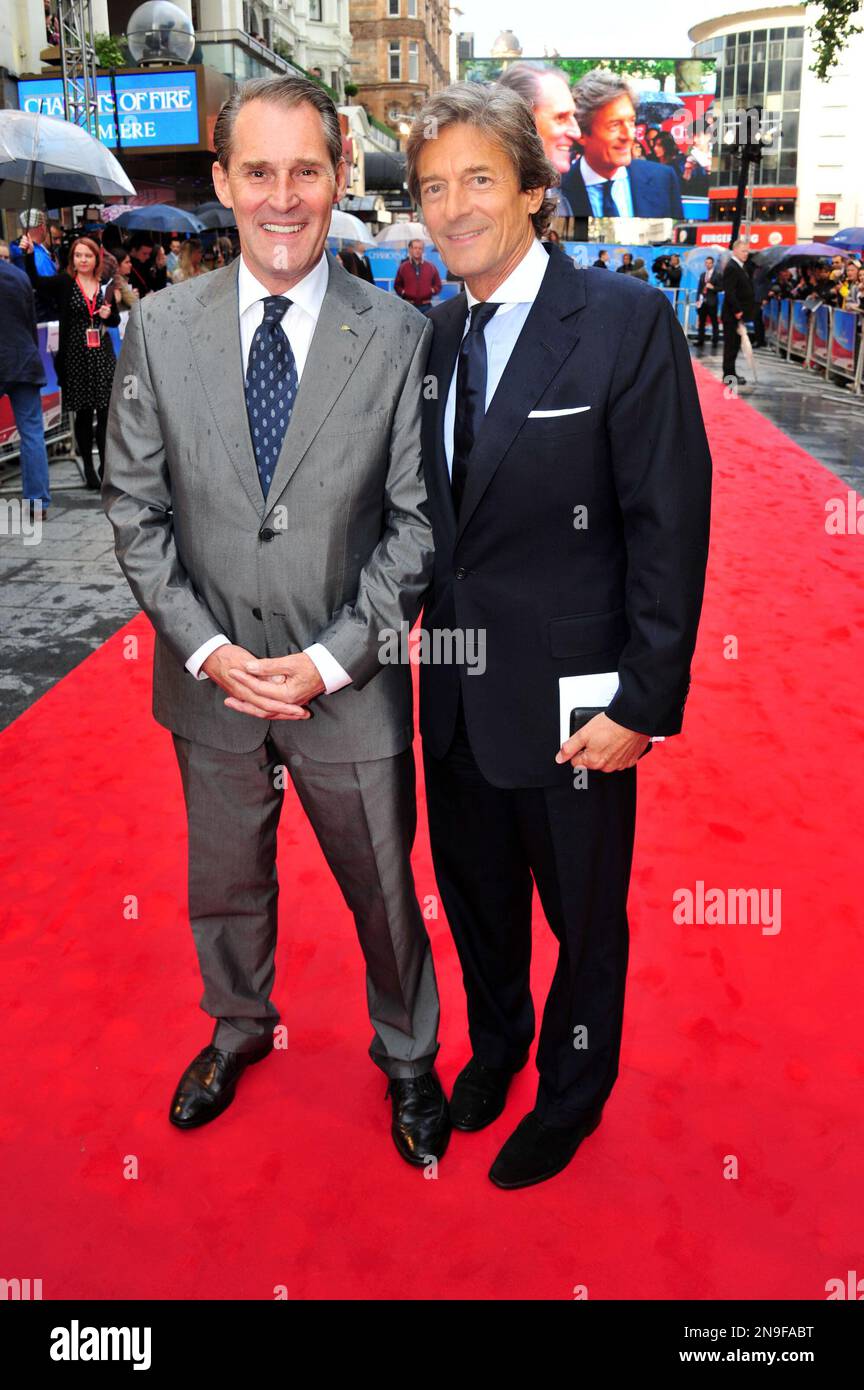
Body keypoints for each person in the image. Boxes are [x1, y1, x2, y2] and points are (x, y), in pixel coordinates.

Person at [102, 73, 450, 1166]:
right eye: (260, 171)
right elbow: (135, 509)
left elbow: (417, 529)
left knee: (385, 893)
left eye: (307, 170)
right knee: (226, 881)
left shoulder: (400, 336)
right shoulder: (158, 330)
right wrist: (207, 651)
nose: (285, 196)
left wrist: (330, 660)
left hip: (348, 689)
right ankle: (238, 1024)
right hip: (208, 687)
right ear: (223, 184)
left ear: (340, 178)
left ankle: (408, 1054)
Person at [406, 82, 711, 1189]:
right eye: (433, 187)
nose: (453, 207)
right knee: (479, 901)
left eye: (478, 179)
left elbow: (668, 519)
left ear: (535, 190)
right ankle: (497, 1048)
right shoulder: (436, 335)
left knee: (585, 921)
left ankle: (574, 1094)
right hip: (453, 692)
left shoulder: (623, 323)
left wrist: (644, 701)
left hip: (583, 704)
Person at [19, 231, 120, 489]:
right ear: (72, 259)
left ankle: (105, 463)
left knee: (107, 414)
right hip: (75, 357)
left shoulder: (105, 284)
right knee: (84, 416)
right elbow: (36, 282)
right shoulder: (65, 283)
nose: (83, 260)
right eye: (78, 255)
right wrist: (29, 255)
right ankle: (88, 465)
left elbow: (115, 321)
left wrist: (108, 314)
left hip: (102, 357)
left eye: (87, 255)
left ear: (96, 259)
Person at [561, 71, 684, 221]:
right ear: (582, 133)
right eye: (615, 125)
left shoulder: (663, 179)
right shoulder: (555, 193)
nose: (628, 135)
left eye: (631, 121)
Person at [0, 254, 52, 518]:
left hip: (11, 357)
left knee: (32, 432)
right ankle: (37, 503)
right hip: (24, 358)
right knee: (32, 433)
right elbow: (31, 321)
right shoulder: (19, 276)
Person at [496, 63, 581, 221]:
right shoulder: (481, 202)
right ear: (520, 120)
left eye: (573, 116)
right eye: (561, 118)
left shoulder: (560, 201)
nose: (577, 133)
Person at [722, 238, 756, 384]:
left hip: (737, 314)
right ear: (735, 250)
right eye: (743, 250)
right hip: (732, 314)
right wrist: (737, 310)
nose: (746, 253)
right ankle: (728, 376)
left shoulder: (741, 266)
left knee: (735, 345)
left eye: (747, 251)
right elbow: (729, 292)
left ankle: (731, 373)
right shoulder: (732, 267)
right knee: (731, 346)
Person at [393, 237, 441, 312]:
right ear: (410, 249)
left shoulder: (431, 267)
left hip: (426, 306)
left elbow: (438, 285)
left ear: (423, 250)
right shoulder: (403, 267)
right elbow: (397, 285)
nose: (417, 250)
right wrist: (404, 292)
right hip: (409, 305)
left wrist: (431, 291)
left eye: (420, 248)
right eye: (415, 248)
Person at [696, 254, 720, 346]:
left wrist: (713, 287)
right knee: (701, 322)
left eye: (710, 263)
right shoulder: (703, 275)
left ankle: (715, 341)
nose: (708, 264)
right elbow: (699, 288)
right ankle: (700, 340)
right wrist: (698, 300)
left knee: (714, 321)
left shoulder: (717, 275)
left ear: (712, 264)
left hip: (712, 301)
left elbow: (721, 288)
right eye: (706, 263)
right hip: (703, 301)